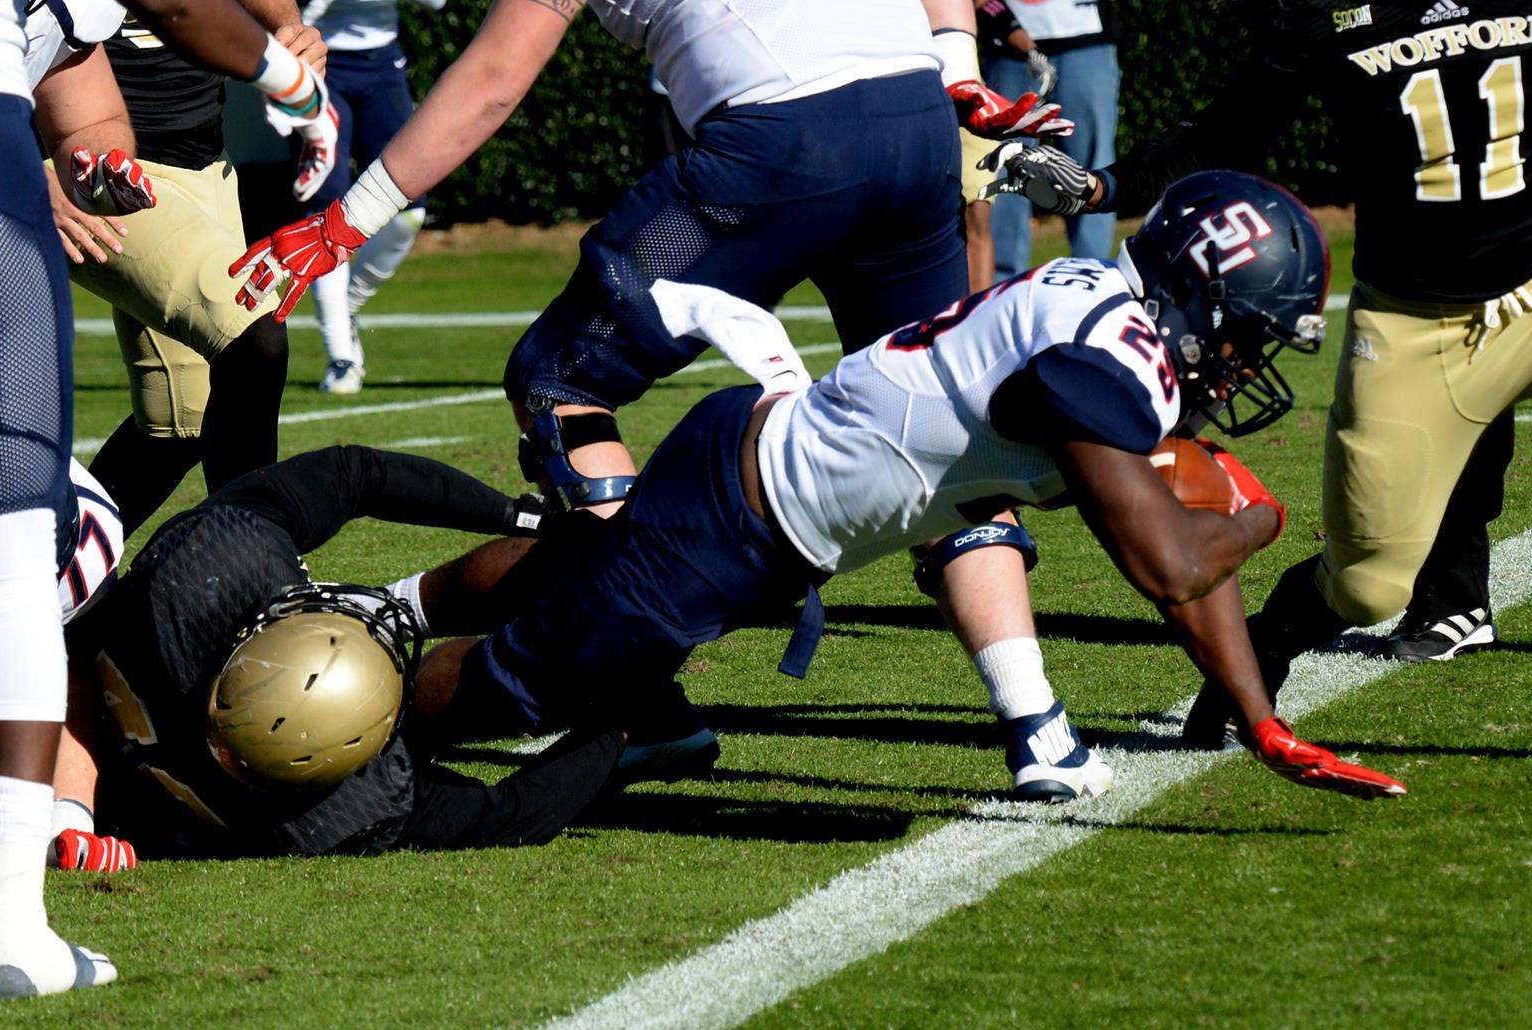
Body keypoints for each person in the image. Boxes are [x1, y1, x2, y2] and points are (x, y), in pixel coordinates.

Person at [230, 0, 1112, 803]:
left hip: (779, 146)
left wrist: (350, 218)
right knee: (941, 425)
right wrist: (958, 70)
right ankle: (1038, 726)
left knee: (562, 377)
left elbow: (493, 84)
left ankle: (642, 698)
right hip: (917, 132)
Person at [429, 171, 1406, 804]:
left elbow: (1186, 544)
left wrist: (1262, 719)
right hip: (732, 523)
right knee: (520, 681)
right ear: (1198, 305)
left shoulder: (1097, 303)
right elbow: (1171, 559)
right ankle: (341, 722)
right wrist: (1264, 520)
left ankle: (390, 609)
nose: (1242, 371)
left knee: (569, 575)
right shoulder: (1107, 363)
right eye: (1241, 340)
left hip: (750, 482)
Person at [982, 2, 1532, 741]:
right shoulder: (1328, 16)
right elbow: (1225, 135)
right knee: (1369, 586)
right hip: (1417, 322)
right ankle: (1267, 647)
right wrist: (1099, 188)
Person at [0, 0, 335, 999]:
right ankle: (246, 600)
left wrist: (78, 157)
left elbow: (89, 98)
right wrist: (289, 83)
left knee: (158, 436)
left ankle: (92, 675)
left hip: (166, 173)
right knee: (29, 516)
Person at [58, 446, 638, 860]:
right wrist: (622, 722)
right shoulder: (345, 812)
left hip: (117, 770)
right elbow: (516, 813)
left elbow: (515, 812)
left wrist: (614, 730)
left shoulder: (196, 575)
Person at [68, 0, 332, 536]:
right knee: (252, 334)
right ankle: (259, 574)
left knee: (182, 425)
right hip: (96, 166)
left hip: (207, 166)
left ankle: (54, 582)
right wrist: (288, 80)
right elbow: (178, 7)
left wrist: (286, 24)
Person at [298, 0, 446, 394]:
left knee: (409, 209)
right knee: (325, 210)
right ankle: (341, 358)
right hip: (322, 62)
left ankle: (345, 305)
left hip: (383, 66)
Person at [979, 0, 1119, 275]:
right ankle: (1002, 286)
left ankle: (1092, 280)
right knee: (1005, 170)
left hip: (1086, 40)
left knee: (1093, 170)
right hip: (1007, 49)